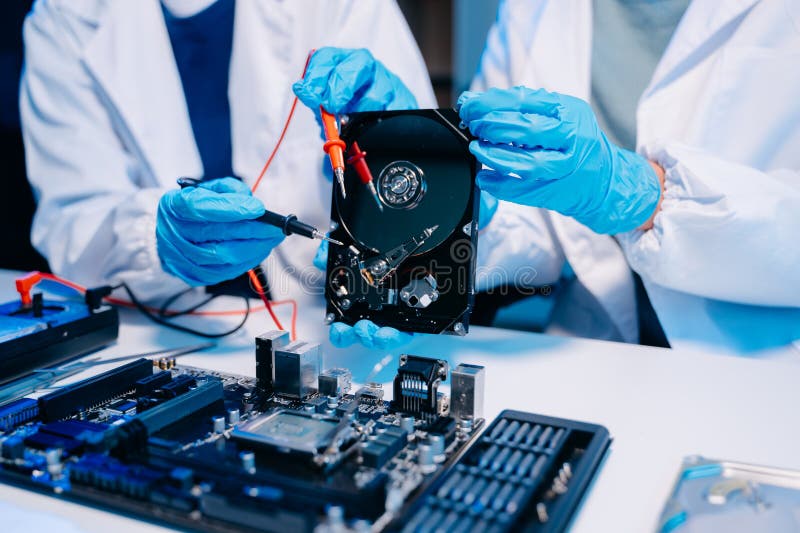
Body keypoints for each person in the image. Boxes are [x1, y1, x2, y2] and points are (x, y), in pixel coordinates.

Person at [20, 0, 549, 349]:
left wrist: (401, 153)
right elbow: (71, 221)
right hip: (159, 332)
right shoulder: (66, 17)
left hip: (331, 331)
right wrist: (152, 238)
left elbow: (423, 209)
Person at [454, 0, 800, 351]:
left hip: (762, 362)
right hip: (594, 347)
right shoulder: (530, 9)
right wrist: (479, 217)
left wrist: (647, 196)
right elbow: (546, 233)